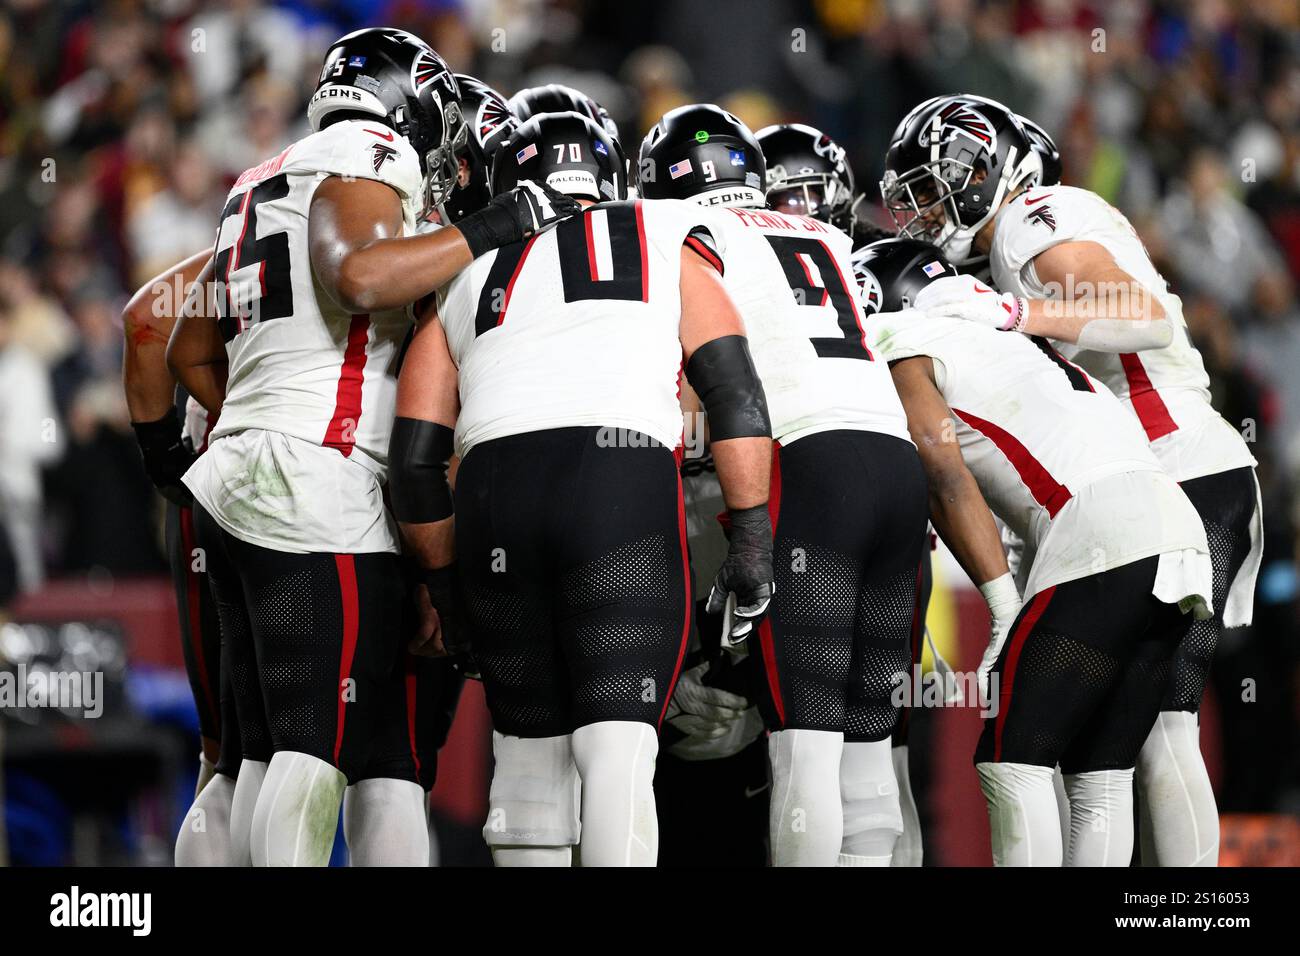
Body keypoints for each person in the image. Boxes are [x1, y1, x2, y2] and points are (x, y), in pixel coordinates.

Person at [166, 27, 577, 867]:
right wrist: (507, 217)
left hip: (242, 475)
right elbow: (356, 276)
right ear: (403, 102)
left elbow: (181, 346)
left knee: (254, 754)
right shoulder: (369, 149)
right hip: (319, 484)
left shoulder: (258, 177)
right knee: (316, 753)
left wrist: (256, 417)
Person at [883, 94, 1262, 866]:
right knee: (1126, 748)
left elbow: (1142, 312)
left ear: (993, 169)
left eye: (935, 185)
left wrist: (1016, 313)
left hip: (1175, 462)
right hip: (1181, 473)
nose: (924, 211)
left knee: (1157, 736)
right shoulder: (1027, 235)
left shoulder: (1032, 218)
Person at [390, 110, 775, 867]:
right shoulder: (665, 230)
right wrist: (753, 535)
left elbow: (413, 460)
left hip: (496, 486)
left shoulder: (464, 273)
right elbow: (734, 391)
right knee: (618, 748)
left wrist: (443, 585)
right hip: (617, 478)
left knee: (528, 757)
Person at [856, 237, 1212, 867]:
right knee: (1099, 774)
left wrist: (1000, 607)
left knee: (1011, 760)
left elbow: (941, 469)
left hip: (1102, 536)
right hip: (1178, 533)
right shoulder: (1020, 340)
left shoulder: (901, 338)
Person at [640, 105, 927, 866]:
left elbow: (702, 395)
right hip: (896, 464)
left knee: (806, 749)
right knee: (872, 753)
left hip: (809, 467)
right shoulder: (827, 236)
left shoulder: (684, 240)